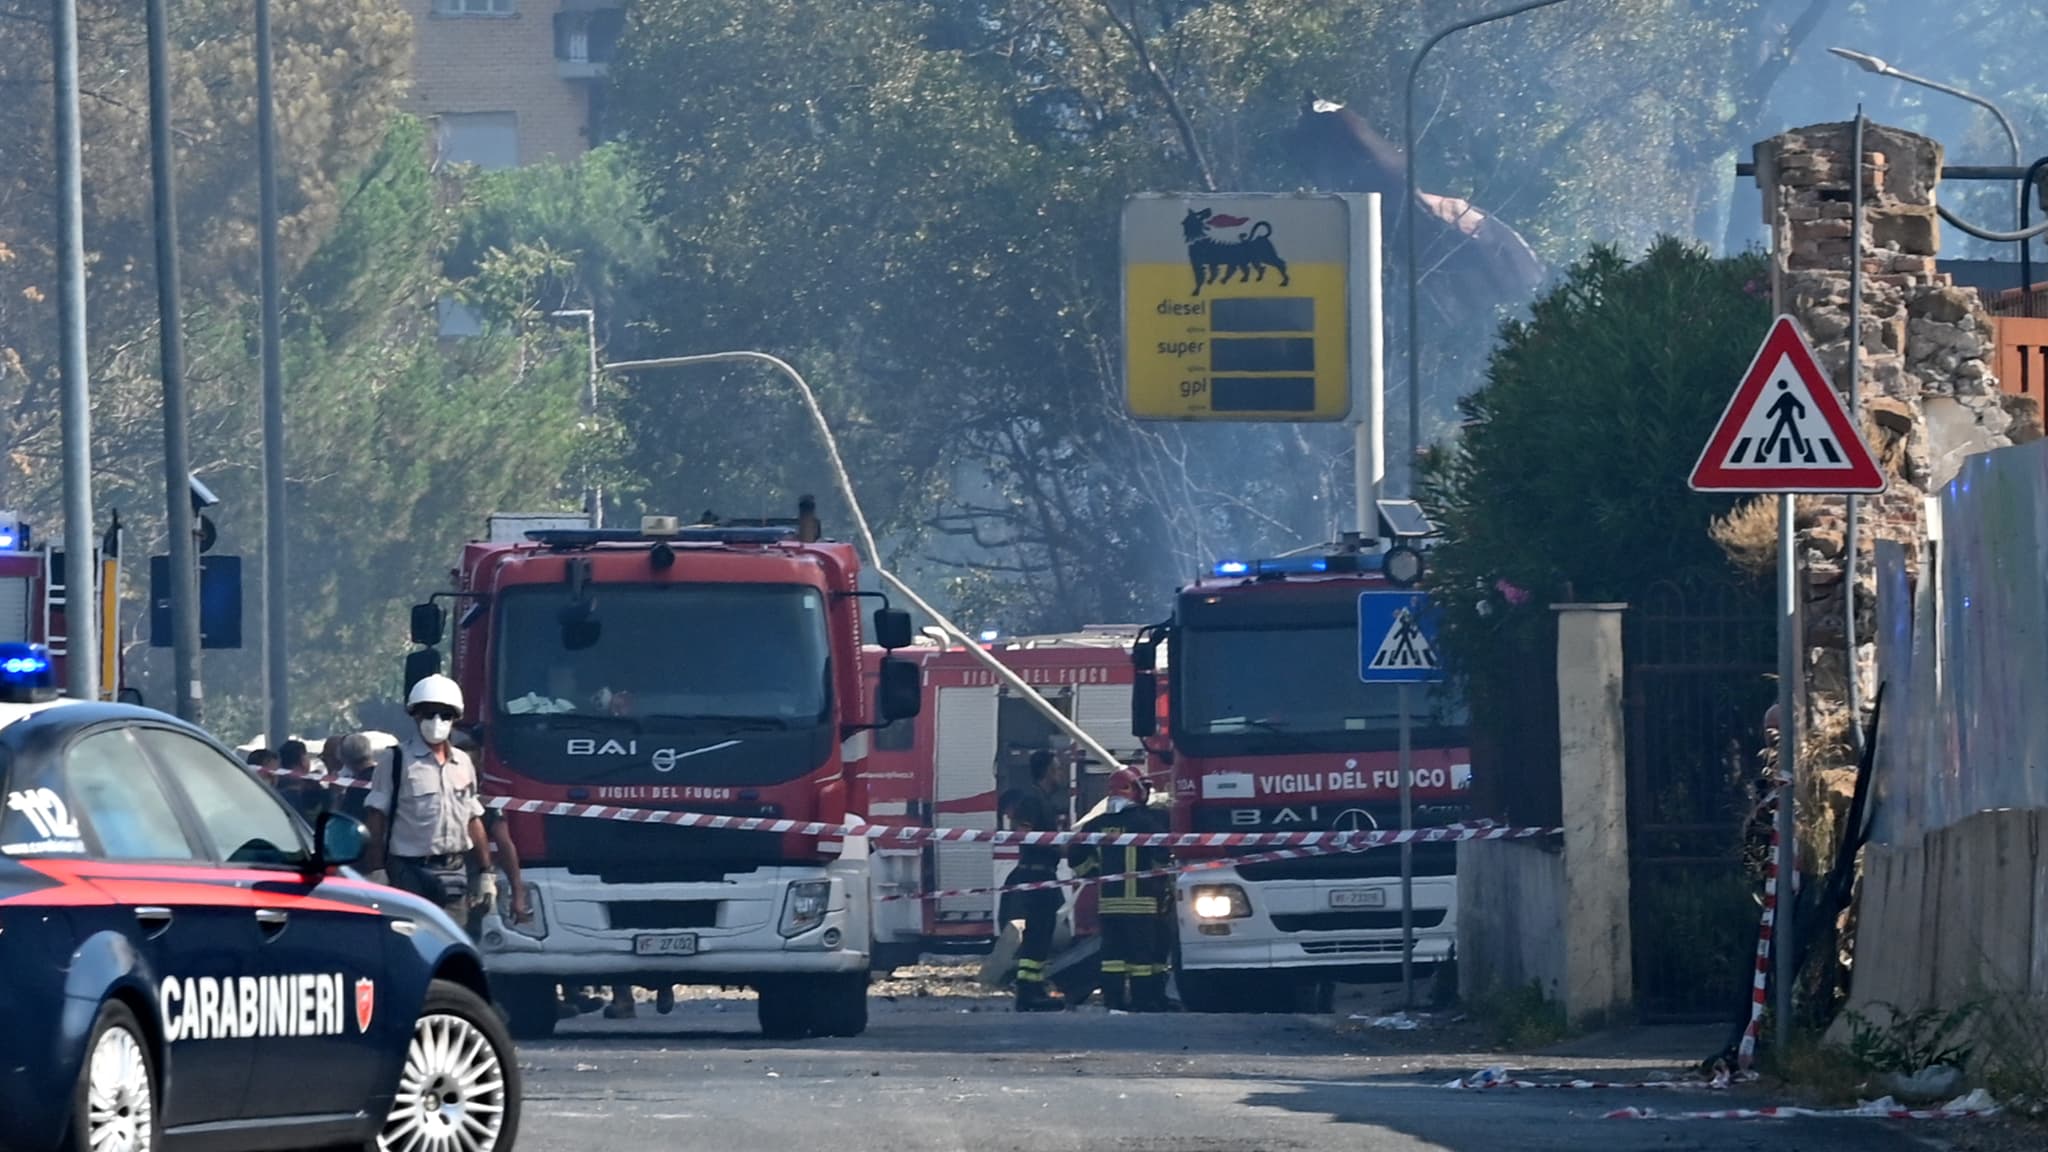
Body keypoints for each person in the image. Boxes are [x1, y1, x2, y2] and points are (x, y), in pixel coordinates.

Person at [363, 675, 498, 931]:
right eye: (429, 713)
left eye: (445, 715)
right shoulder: (396, 761)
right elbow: (376, 818)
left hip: (454, 871)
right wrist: (377, 870)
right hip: (409, 872)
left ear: (455, 719)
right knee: (411, 944)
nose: (437, 721)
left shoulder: (463, 763)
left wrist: (485, 872)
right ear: (416, 715)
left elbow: (473, 819)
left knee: (452, 943)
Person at [1067, 766, 1171, 1012]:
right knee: (1141, 959)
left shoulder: (1097, 823)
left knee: (1112, 958)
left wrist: (1093, 873)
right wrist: (1160, 883)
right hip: (1142, 903)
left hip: (1109, 904)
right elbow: (1162, 858)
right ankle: (1143, 1001)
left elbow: (1075, 854)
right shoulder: (1148, 822)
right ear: (1133, 789)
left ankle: (1113, 1001)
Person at [1007, 750, 1069, 1012]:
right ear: (1045, 772)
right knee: (1036, 935)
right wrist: (1052, 846)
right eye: (1057, 769)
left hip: (1045, 874)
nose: (1060, 774)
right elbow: (1021, 834)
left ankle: (1034, 986)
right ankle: (1027, 992)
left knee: (1042, 935)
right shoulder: (1032, 800)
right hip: (1035, 874)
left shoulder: (1044, 799)